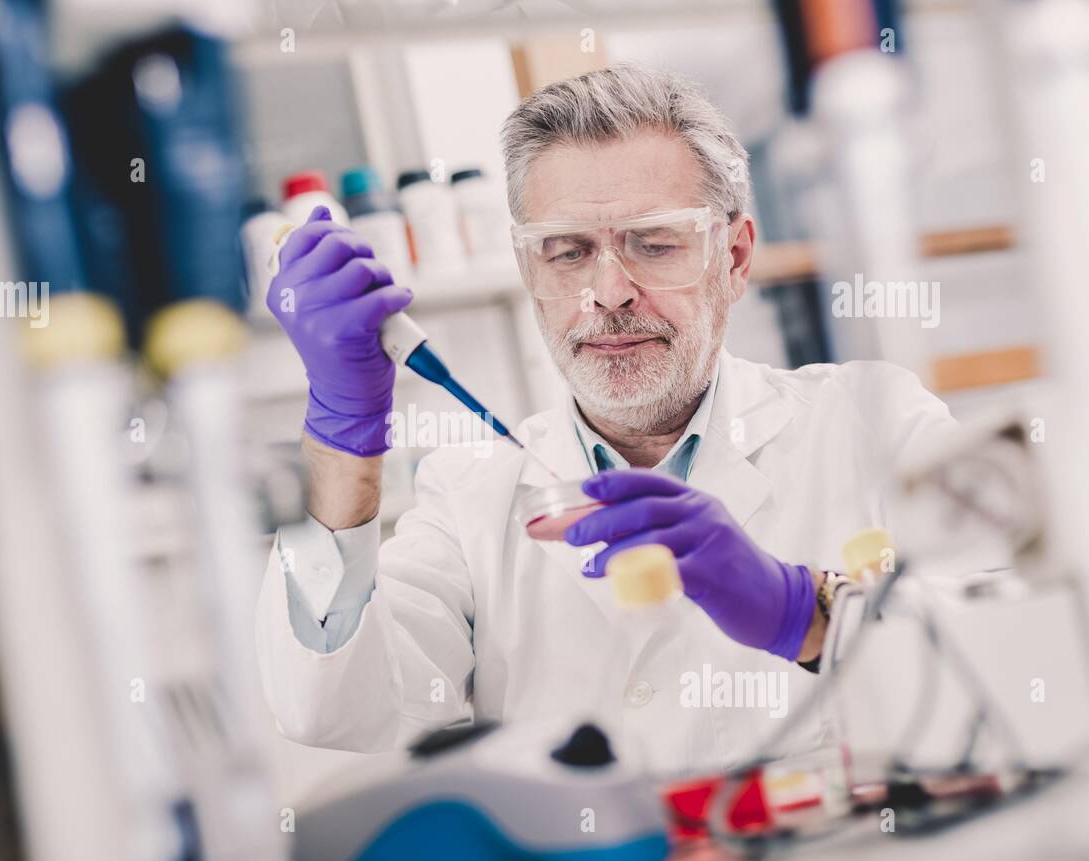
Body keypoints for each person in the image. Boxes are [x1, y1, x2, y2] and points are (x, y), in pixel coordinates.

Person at [253, 64, 955, 772]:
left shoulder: (875, 424)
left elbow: (1014, 654)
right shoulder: (468, 499)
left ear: (734, 258)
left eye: (654, 243)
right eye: (568, 252)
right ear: (531, 271)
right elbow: (335, 706)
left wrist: (802, 614)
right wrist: (341, 430)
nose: (609, 293)